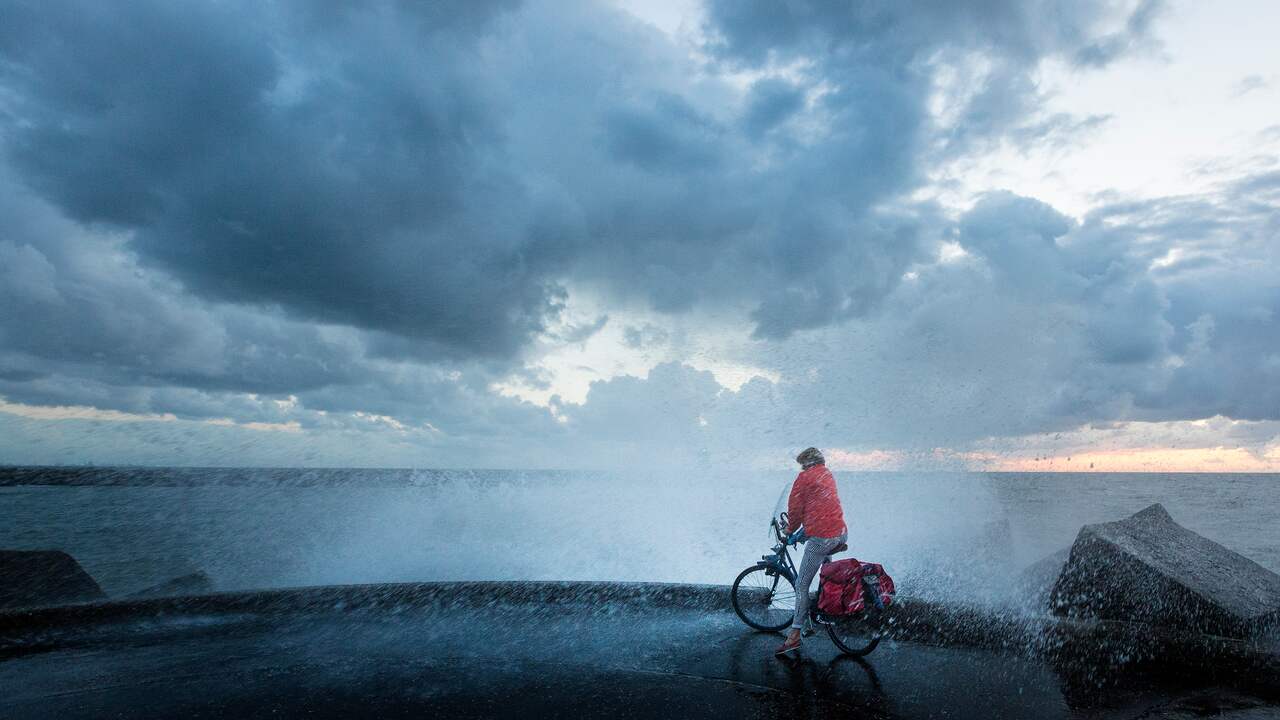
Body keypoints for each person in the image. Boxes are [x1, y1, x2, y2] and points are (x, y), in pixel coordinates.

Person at [775, 446, 847, 657]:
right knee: (826, 575)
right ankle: (822, 610)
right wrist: (801, 533)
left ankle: (794, 635)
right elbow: (819, 509)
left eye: (802, 464)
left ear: (806, 463)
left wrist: (789, 530)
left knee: (801, 584)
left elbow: (795, 511)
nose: (802, 468)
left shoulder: (804, 478)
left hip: (823, 537)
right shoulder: (826, 474)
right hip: (840, 533)